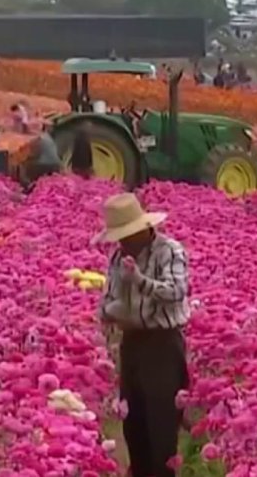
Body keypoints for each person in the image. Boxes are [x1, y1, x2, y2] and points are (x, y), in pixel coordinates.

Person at [96, 194, 190, 477]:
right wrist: (109, 311)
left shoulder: (169, 251)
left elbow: (176, 292)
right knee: (134, 426)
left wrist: (139, 280)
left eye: (125, 237)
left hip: (162, 346)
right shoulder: (118, 255)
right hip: (132, 344)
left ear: (141, 229)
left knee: (160, 428)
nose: (122, 243)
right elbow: (109, 298)